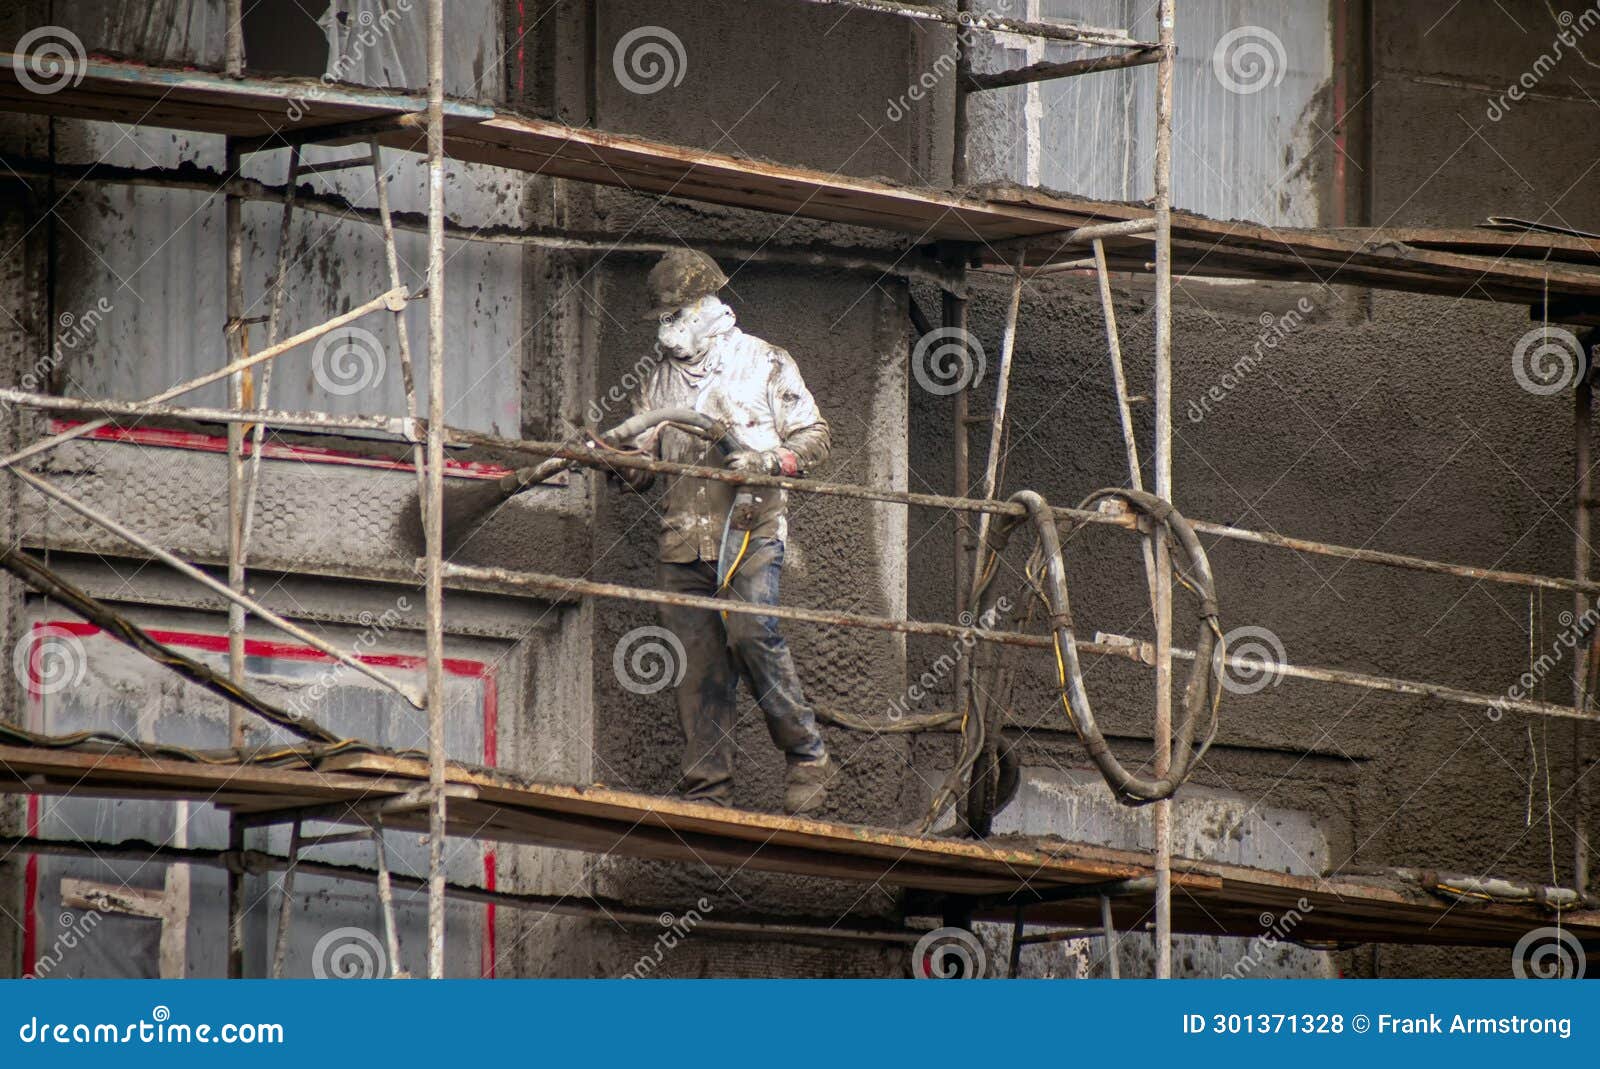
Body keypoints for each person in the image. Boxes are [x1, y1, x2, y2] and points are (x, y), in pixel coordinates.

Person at [611, 248, 835, 814]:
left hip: (751, 529)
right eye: (661, 320)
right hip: (682, 540)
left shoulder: (764, 362)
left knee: (751, 632)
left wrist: (768, 461)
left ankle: (806, 753)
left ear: (707, 308)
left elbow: (816, 438)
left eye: (675, 317)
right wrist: (615, 463)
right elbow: (641, 468)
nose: (666, 332)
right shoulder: (657, 384)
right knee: (696, 665)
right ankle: (708, 792)